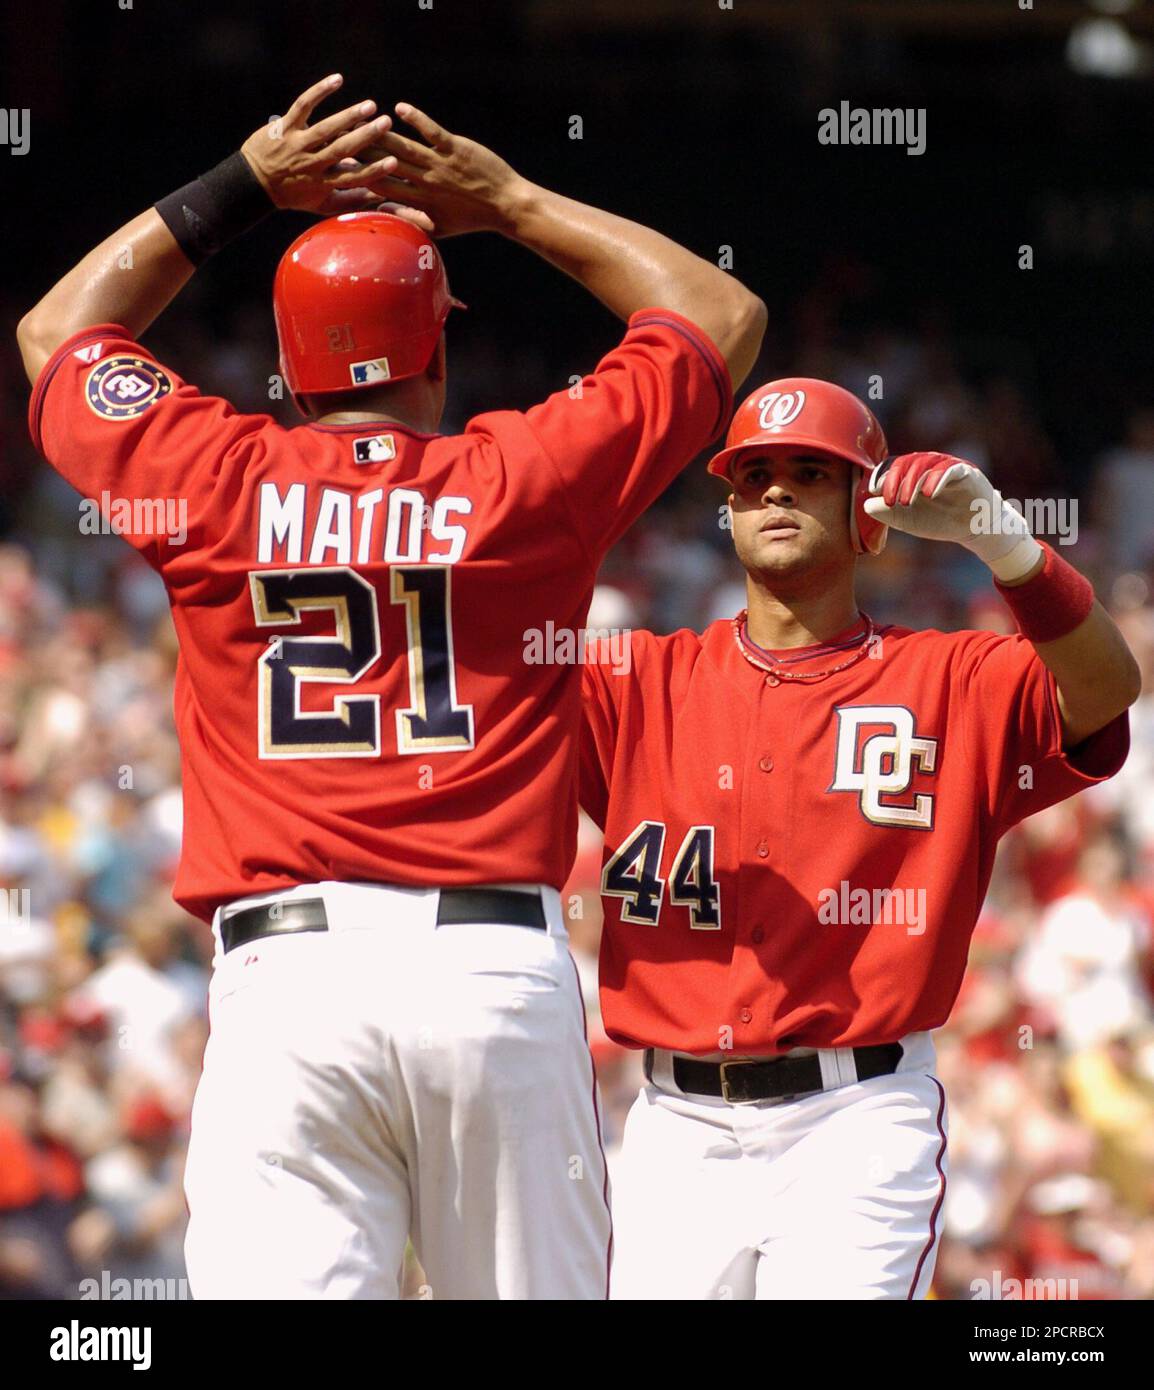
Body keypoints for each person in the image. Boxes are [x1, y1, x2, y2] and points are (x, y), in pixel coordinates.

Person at [16, 74, 766, 1300]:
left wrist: (240, 188)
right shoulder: (524, 476)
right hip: (490, 979)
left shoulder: (212, 476)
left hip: (286, 986)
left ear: (288, 368)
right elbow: (717, 313)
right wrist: (510, 200)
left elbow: (56, 336)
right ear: (439, 341)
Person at [578, 377, 1138, 1299]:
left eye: (810, 472)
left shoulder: (952, 677)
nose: (777, 493)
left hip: (857, 1115)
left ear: (869, 518)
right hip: (673, 1124)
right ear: (727, 508)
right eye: (753, 475)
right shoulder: (640, 678)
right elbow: (483, 668)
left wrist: (1008, 547)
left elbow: (1108, 688)